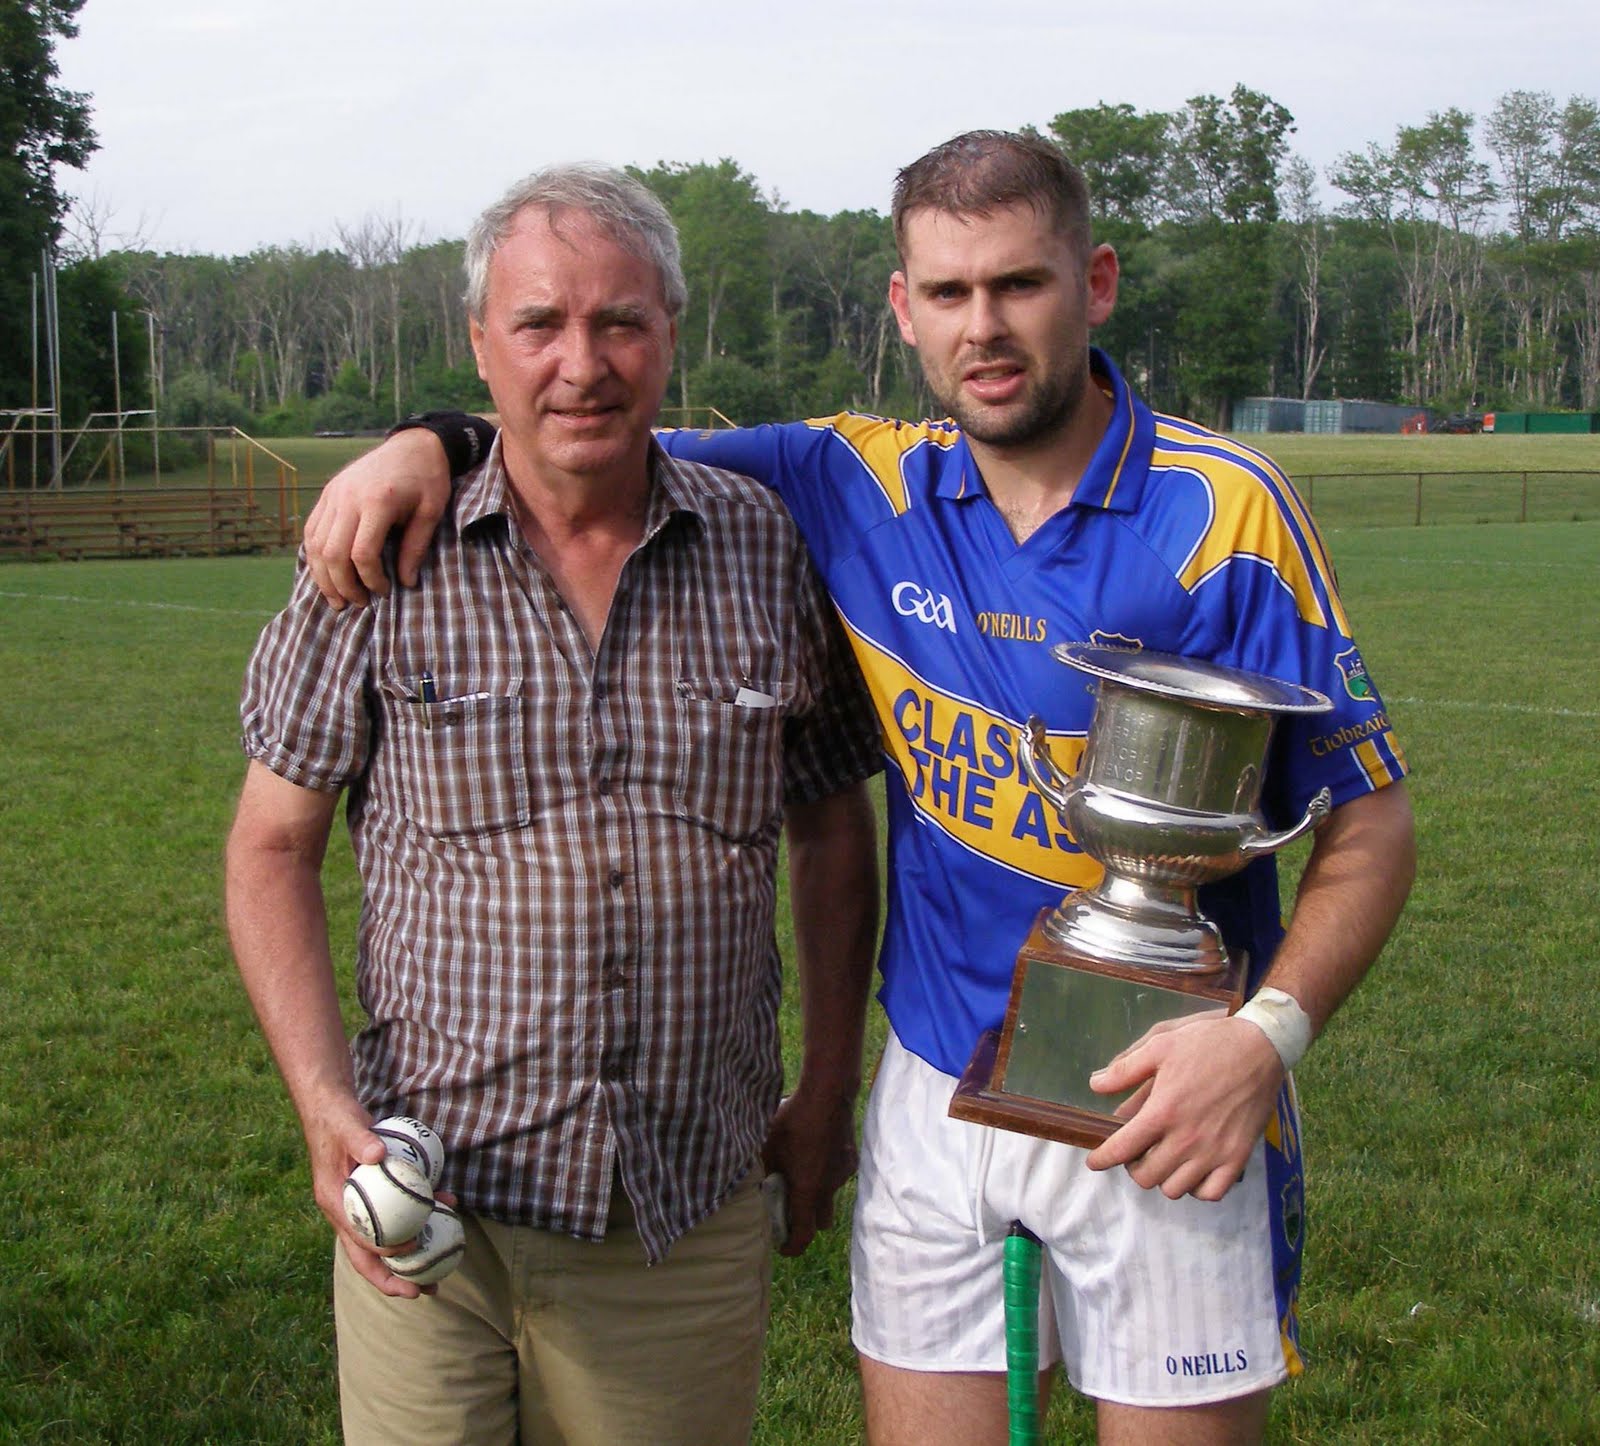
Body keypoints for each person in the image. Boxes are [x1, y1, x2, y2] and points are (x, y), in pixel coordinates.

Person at [302, 132, 1416, 1446]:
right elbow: (590, 416)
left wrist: (1260, 1040)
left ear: (1097, 281)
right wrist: (427, 440)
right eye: (947, 293)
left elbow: (1374, 819)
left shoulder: (1228, 509)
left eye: (1020, 285)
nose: (984, 328)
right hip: (934, 1085)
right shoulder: (854, 476)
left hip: (1167, 1093)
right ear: (903, 310)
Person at [224, 163, 882, 1446]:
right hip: (431, 1205)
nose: (580, 364)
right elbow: (268, 847)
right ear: (481, 345)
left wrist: (824, 1090)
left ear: (671, 334)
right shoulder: (376, 560)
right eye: (538, 324)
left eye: (619, 321)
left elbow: (832, 828)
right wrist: (319, 1107)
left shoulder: (763, 546)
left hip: (677, 1213)